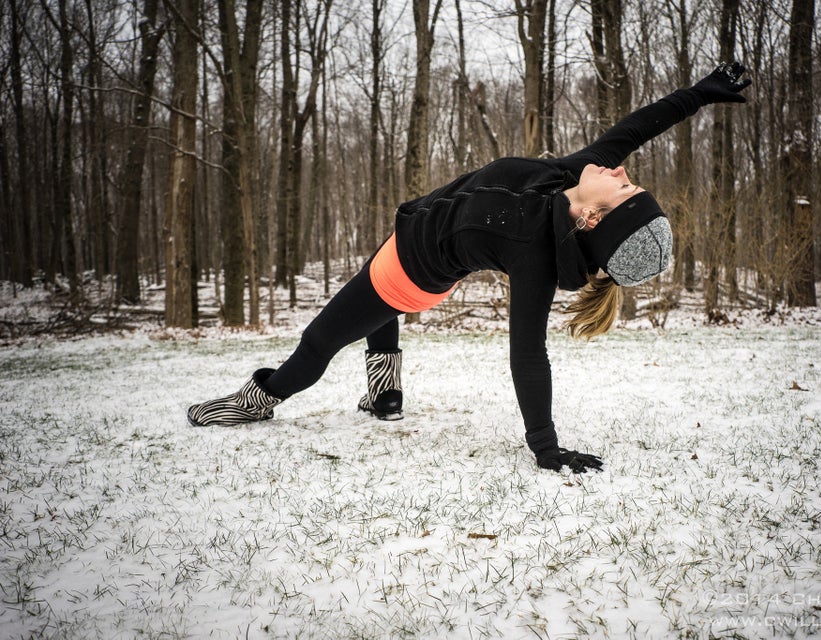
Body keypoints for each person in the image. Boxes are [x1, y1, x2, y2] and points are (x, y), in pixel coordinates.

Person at [188, 62, 752, 473]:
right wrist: (700, 94)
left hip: (407, 273)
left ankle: (257, 401)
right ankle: (385, 396)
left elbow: (528, 355)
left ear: (592, 219)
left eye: (625, 188)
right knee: (368, 310)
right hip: (410, 245)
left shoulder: (535, 253)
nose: (621, 170)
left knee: (317, 343)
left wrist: (546, 447)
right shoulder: (569, 178)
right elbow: (636, 127)